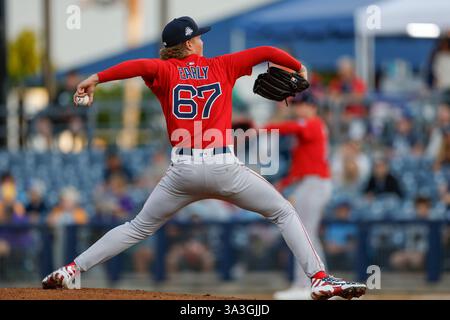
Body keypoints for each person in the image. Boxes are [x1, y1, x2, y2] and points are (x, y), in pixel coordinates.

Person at [42, 16, 366, 299]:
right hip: (223, 165)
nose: (202, 40)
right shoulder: (223, 65)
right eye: (197, 36)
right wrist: (297, 66)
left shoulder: (163, 71)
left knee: (137, 227)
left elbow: (137, 66)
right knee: (283, 211)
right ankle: (320, 279)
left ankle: (72, 269)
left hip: (183, 169)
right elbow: (268, 52)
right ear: (188, 44)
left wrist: (95, 78)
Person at [263, 92, 333, 300]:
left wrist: (263, 127)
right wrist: (283, 183)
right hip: (309, 182)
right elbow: (300, 167)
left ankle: (305, 286)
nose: (299, 108)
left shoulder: (313, 123)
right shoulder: (310, 127)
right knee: (307, 234)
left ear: (313, 107)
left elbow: (288, 127)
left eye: (303, 104)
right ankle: (321, 284)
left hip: (315, 183)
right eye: (298, 104)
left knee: (303, 234)